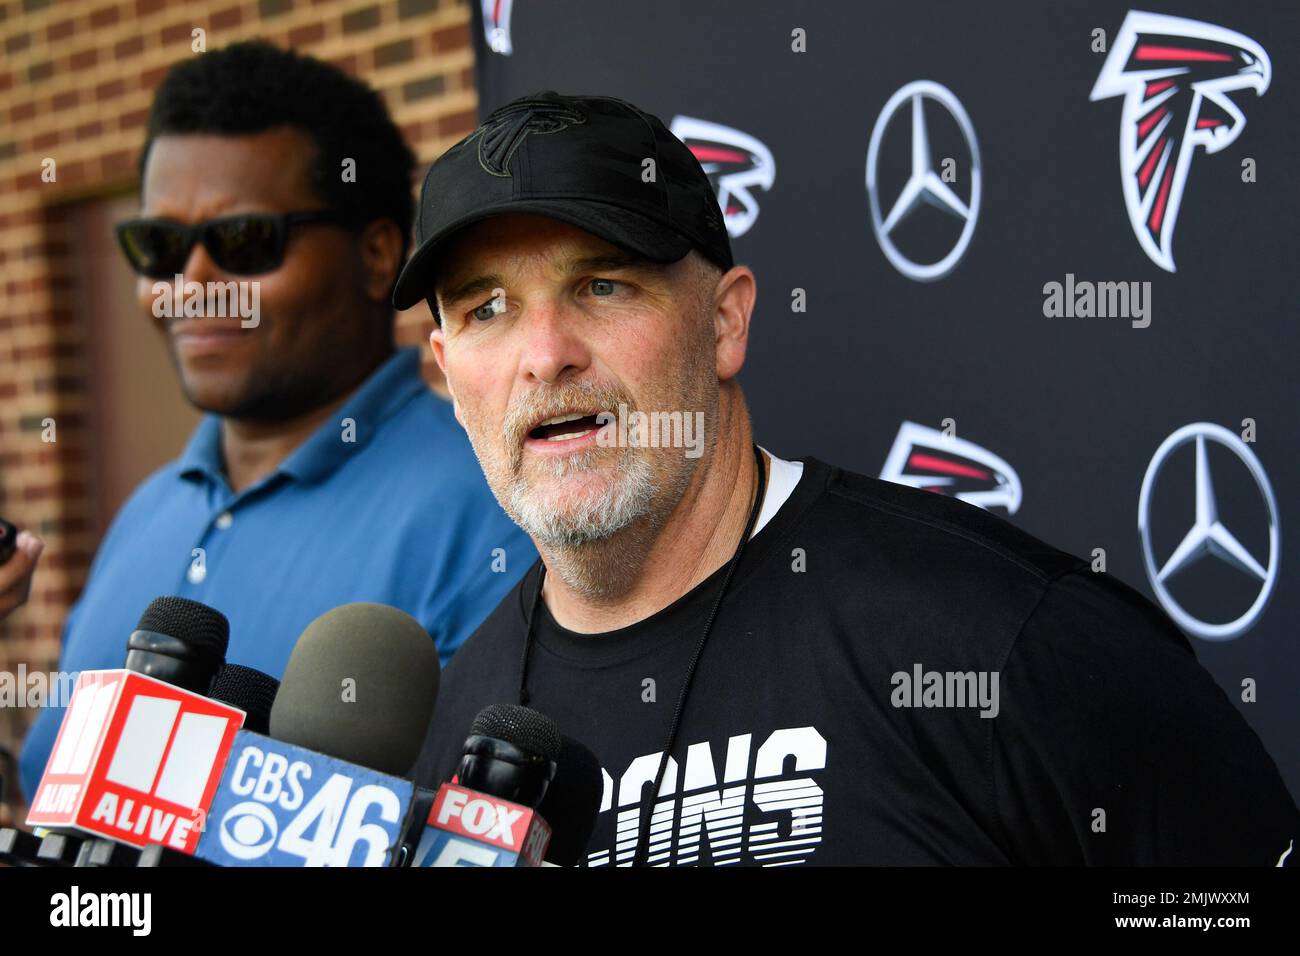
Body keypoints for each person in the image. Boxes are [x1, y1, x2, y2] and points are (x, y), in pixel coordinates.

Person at [400, 91, 1298, 866]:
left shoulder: (1000, 638)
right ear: (444, 368)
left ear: (724, 323)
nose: (545, 356)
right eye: (489, 309)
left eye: (603, 285)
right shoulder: (447, 726)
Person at [17, 43, 535, 800]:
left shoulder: (498, 506)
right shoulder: (145, 511)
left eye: (242, 242)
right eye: (157, 246)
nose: (191, 285)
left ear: (377, 255)